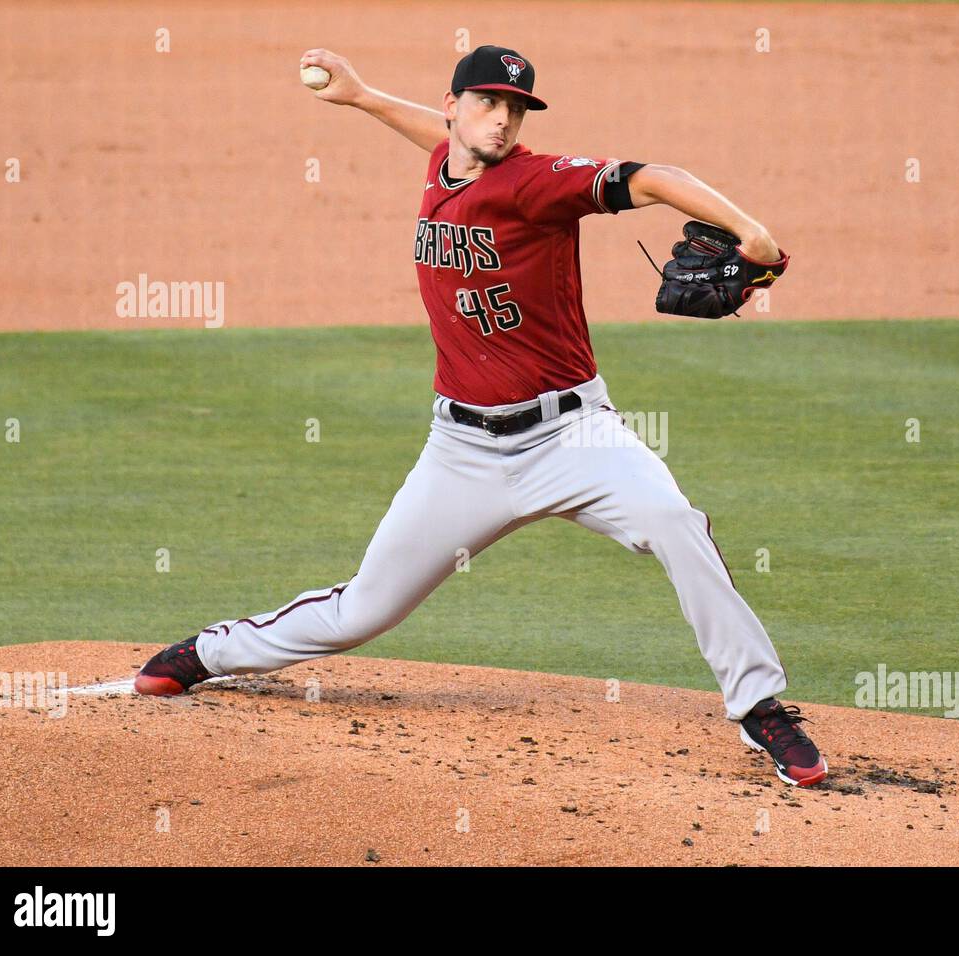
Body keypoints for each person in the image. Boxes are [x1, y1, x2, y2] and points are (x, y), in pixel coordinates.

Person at [135, 44, 826, 787]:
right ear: (455, 106)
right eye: (489, 103)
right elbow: (435, 138)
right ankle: (209, 653)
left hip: (573, 437)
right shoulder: (443, 161)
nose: (502, 119)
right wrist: (363, 95)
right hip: (461, 452)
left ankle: (760, 707)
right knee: (364, 611)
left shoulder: (537, 183)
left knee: (674, 523)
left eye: (516, 108)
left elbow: (655, 178)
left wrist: (751, 233)